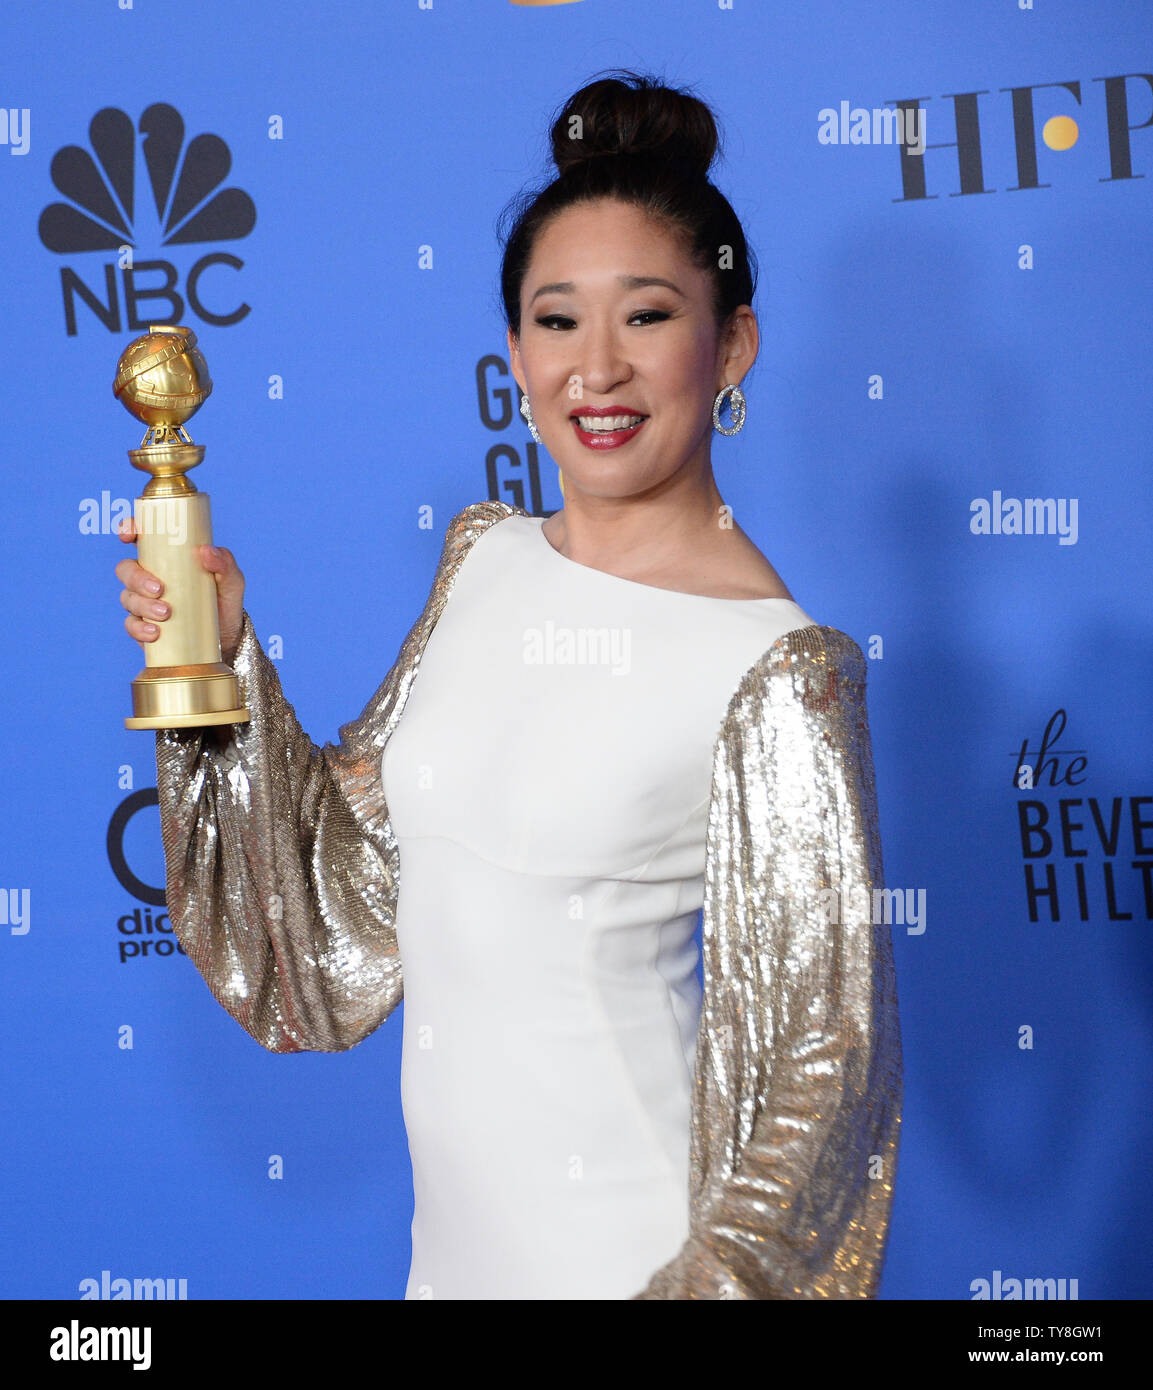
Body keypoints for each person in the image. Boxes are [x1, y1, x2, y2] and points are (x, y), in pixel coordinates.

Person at [115, 69, 902, 1301]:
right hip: (450, 1266)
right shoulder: (485, 558)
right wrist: (221, 663)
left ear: (731, 342)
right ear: (513, 353)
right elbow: (343, 902)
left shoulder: (778, 667)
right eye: (554, 319)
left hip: (634, 1259)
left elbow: (824, 1067)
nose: (596, 368)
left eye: (646, 316)